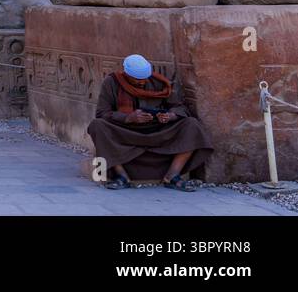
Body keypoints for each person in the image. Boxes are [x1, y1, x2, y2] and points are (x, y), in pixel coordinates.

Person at [87, 54, 214, 190]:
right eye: (137, 79)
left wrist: (170, 116)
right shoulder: (111, 83)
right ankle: (122, 176)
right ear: (126, 74)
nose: (142, 82)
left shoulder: (159, 83)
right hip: (127, 130)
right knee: (97, 126)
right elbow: (102, 113)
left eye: (144, 79)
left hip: (158, 130)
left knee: (192, 124)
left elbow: (180, 107)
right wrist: (128, 117)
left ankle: (172, 175)